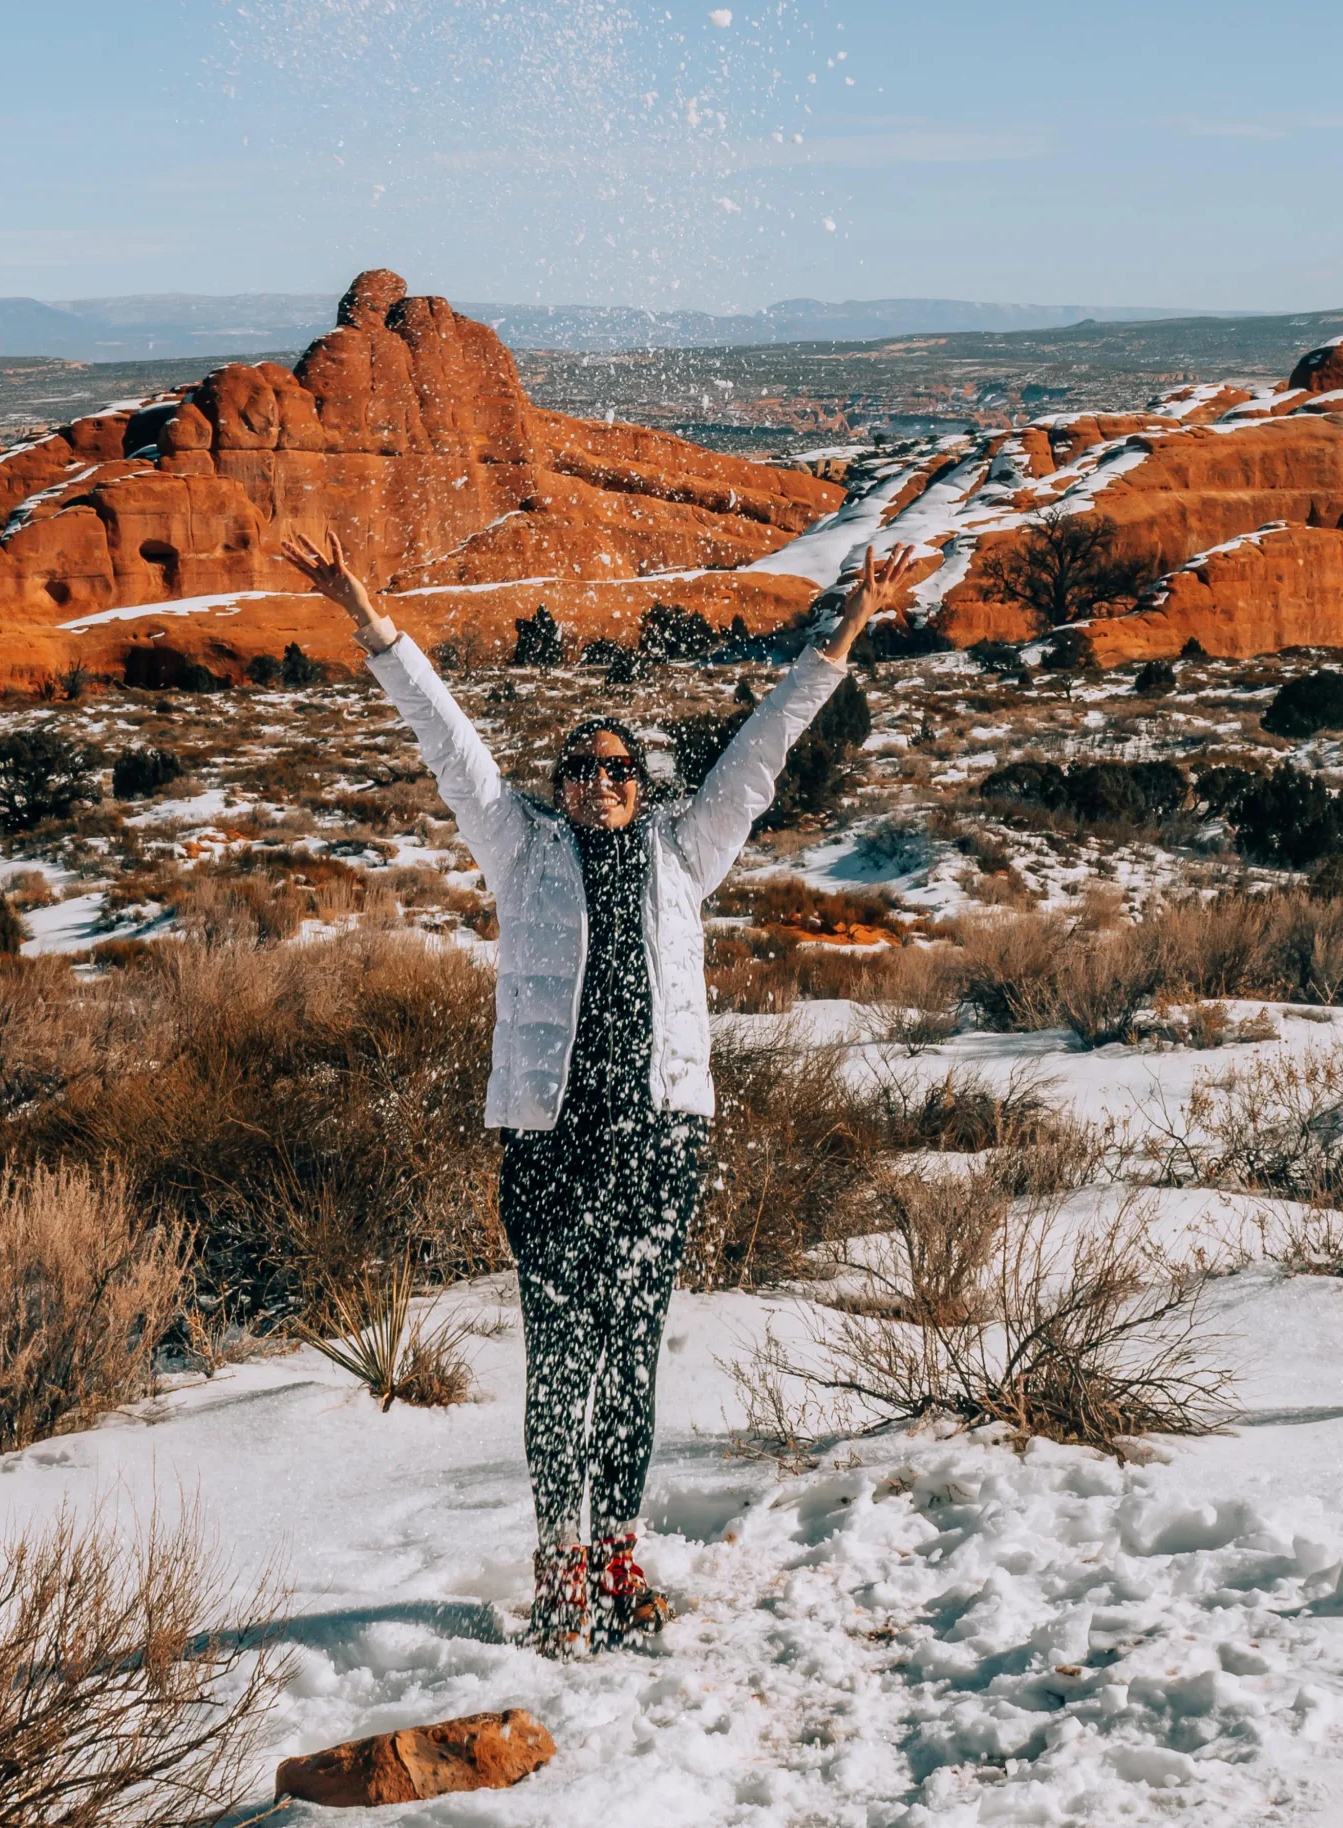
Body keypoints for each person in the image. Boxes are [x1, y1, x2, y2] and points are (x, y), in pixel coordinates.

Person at [279, 530, 914, 1655]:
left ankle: (617, 1552)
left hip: (663, 1147)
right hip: (552, 1147)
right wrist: (369, 618)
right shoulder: (518, 849)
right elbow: (449, 742)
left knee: (631, 1357)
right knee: (558, 1359)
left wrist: (849, 625)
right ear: (558, 784)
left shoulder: (686, 852)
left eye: (618, 768)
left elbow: (763, 750)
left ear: (643, 784)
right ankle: (556, 1565)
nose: (598, 782)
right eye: (579, 767)